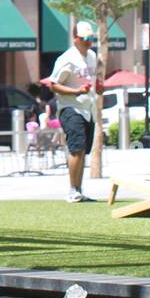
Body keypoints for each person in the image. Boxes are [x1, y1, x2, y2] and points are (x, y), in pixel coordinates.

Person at [49, 21, 101, 203]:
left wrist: (98, 87)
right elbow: (54, 85)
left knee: (83, 151)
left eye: (91, 38)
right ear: (75, 38)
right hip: (71, 108)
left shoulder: (93, 56)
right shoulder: (67, 59)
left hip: (89, 108)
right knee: (76, 148)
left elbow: (94, 81)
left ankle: (79, 189)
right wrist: (76, 92)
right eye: (84, 38)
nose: (88, 42)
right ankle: (72, 190)